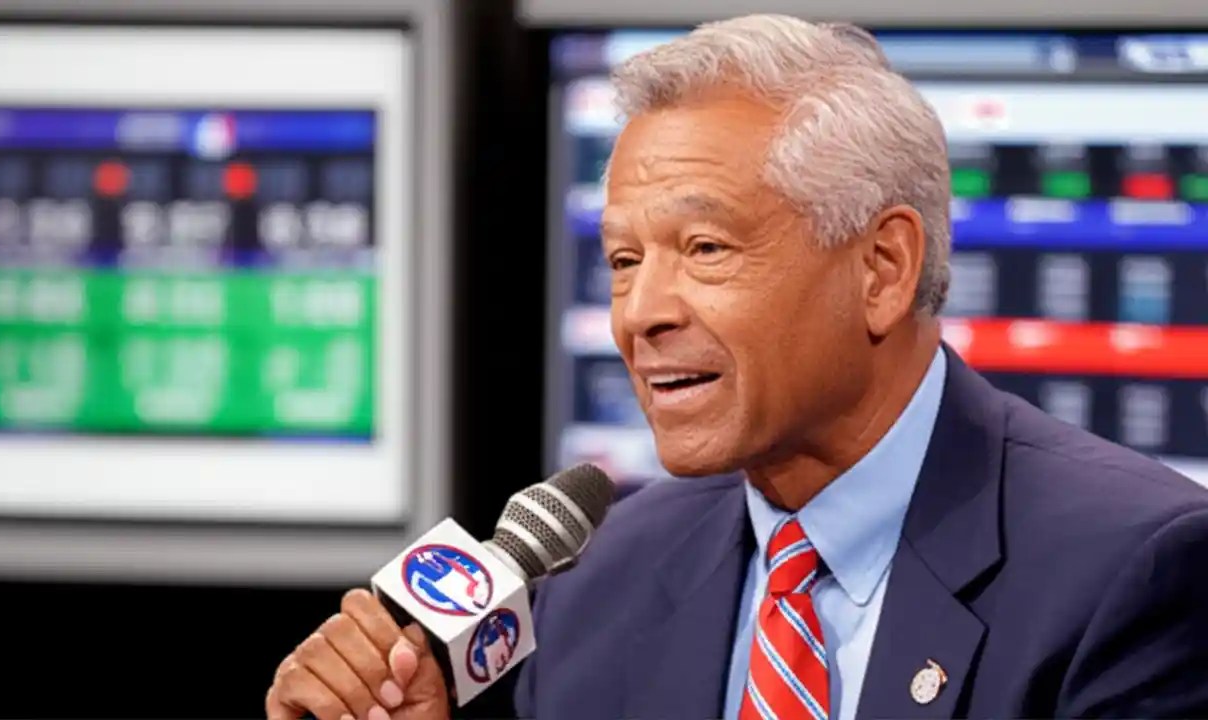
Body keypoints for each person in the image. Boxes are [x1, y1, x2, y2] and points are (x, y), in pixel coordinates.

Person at [265, 15, 1208, 720]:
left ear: (882, 268)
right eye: (625, 261)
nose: (641, 314)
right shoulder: (597, 588)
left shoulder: (1133, 574)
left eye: (706, 248)